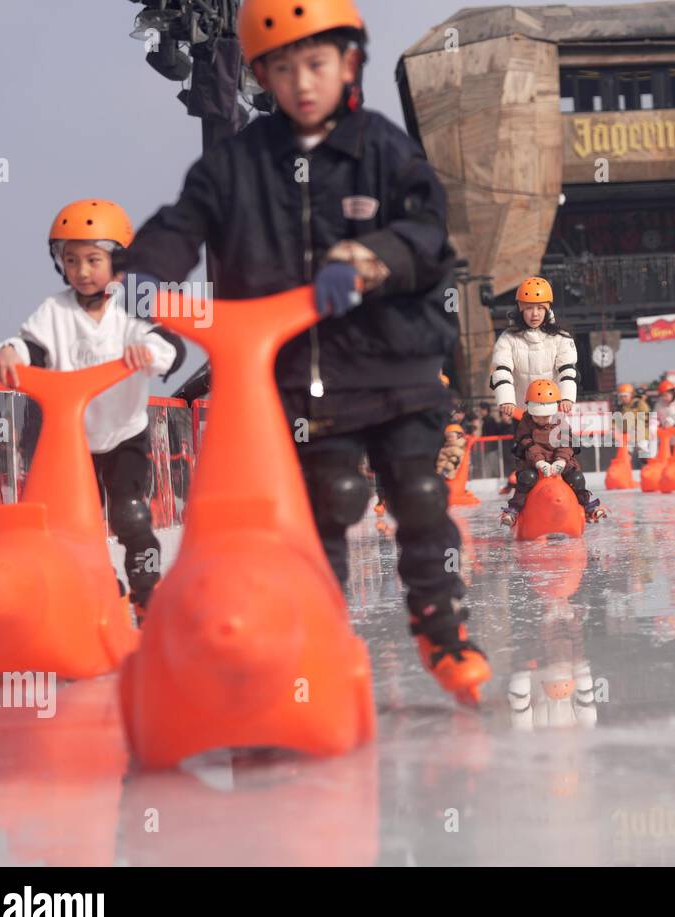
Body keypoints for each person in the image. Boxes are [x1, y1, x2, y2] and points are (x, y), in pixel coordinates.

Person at [121, 0, 489, 703]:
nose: (303, 83)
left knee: (416, 496)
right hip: (305, 377)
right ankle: (316, 635)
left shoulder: (382, 149)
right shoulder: (236, 165)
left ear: (348, 63)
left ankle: (442, 628)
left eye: (317, 63)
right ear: (262, 75)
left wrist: (374, 258)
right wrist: (146, 271)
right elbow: (182, 223)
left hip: (397, 366)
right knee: (325, 504)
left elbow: (426, 228)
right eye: (282, 69)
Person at [0, 199, 184, 621]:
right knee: (76, 527)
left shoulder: (133, 307)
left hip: (123, 434)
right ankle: (102, 592)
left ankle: (147, 592)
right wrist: (10, 351)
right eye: (71, 259)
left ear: (118, 260)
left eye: (94, 259)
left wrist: (148, 351)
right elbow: (32, 348)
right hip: (71, 445)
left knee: (131, 517)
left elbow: (171, 347)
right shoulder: (53, 311)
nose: (82, 270)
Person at [501, 380, 607, 526]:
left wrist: (561, 460)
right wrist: (539, 461)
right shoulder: (525, 423)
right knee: (527, 478)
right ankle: (513, 510)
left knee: (576, 478)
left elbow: (566, 442)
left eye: (545, 416)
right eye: (537, 416)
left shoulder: (560, 421)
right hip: (532, 462)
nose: (541, 420)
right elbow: (527, 444)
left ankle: (587, 506)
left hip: (558, 461)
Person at [490, 276, 577, 418]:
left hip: (553, 409)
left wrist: (567, 397)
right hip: (521, 412)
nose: (535, 314)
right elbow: (501, 371)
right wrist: (506, 400)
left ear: (548, 309)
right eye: (529, 308)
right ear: (520, 309)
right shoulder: (508, 338)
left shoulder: (561, 337)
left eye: (540, 308)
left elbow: (568, 370)